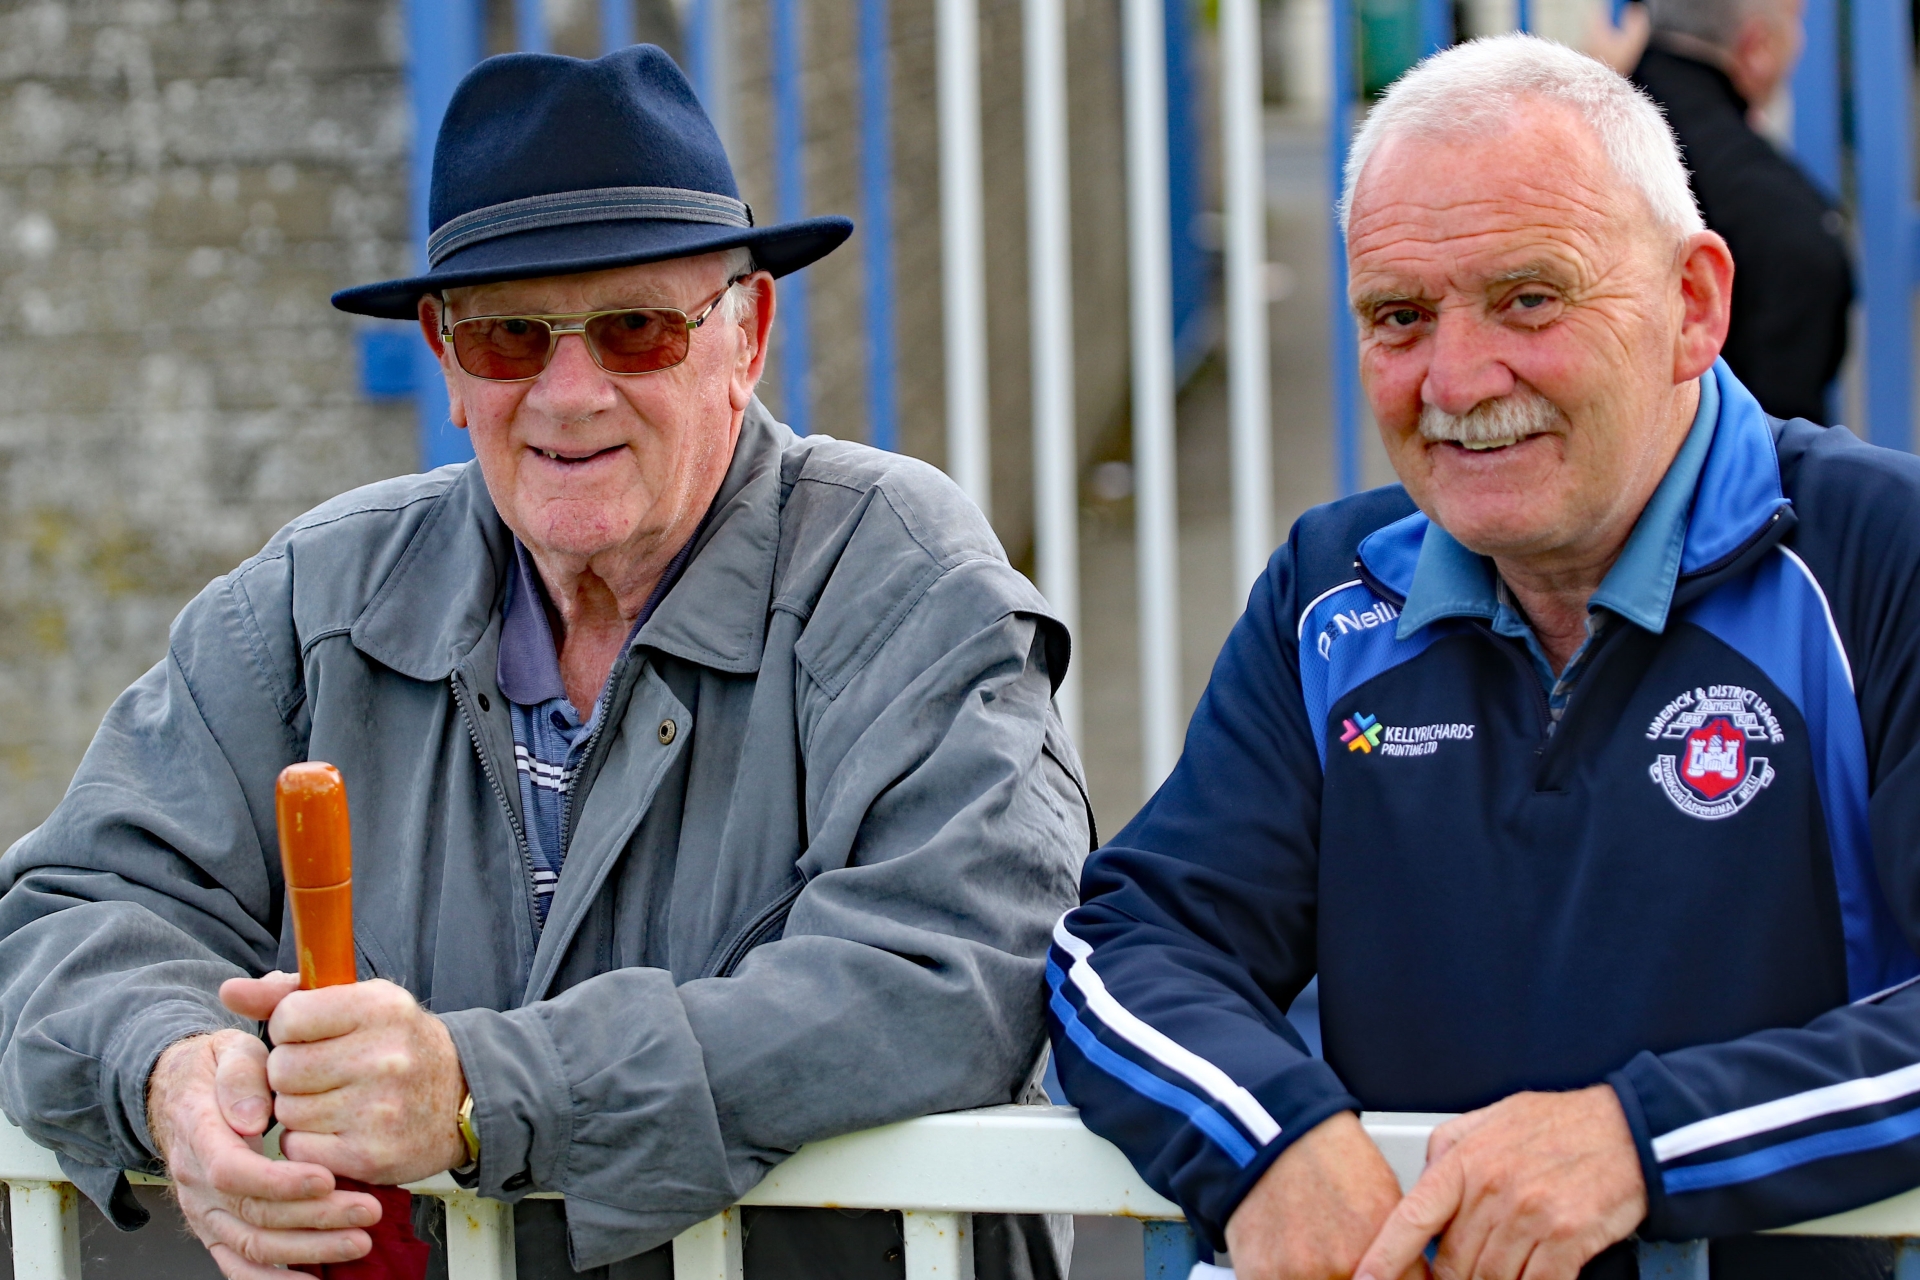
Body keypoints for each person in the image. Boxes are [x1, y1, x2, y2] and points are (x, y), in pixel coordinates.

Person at [0, 46, 1089, 1280]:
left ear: (748, 334)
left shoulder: (899, 576)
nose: (570, 395)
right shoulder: (319, 599)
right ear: (448, 360)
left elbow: (952, 971)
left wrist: (481, 1091)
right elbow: (68, 909)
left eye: (634, 329)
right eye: (513, 337)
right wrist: (172, 1066)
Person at [1050, 34, 1920, 1280]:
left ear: (1694, 304)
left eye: (1529, 298)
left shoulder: (1881, 557)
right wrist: (1269, 1139)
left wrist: (1643, 1141)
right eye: (1398, 316)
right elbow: (1127, 943)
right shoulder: (1332, 591)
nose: (1456, 380)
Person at [1628, 0, 1851, 423]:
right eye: (1796, 19)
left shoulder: (1590, 144)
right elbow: (1781, 445)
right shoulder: (1780, 208)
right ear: (1757, 47)